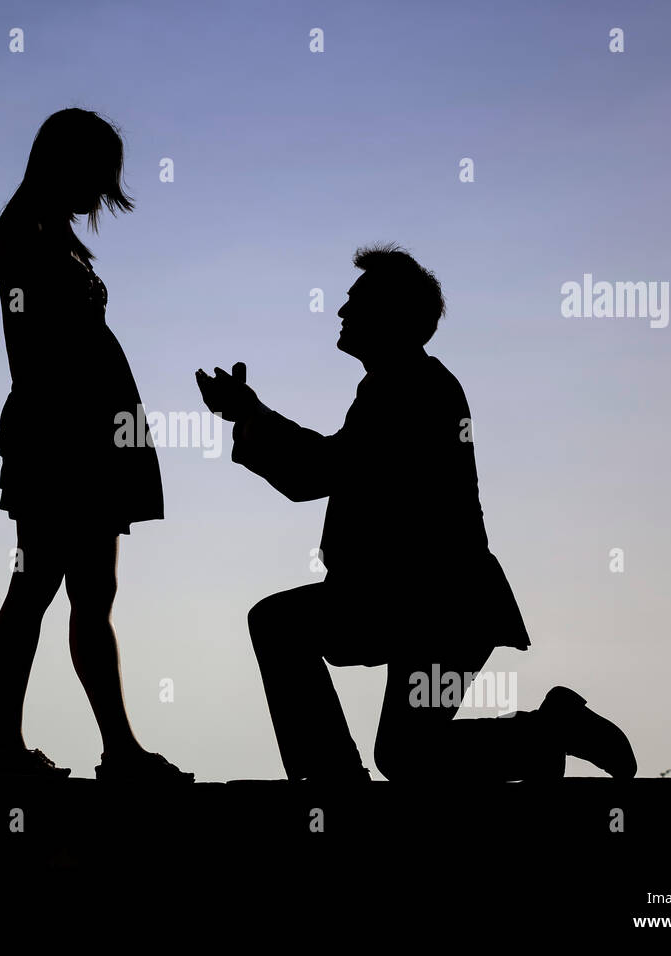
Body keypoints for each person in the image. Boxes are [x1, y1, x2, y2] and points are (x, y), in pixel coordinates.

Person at [196, 243, 636, 782]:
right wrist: (253, 417)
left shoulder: (411, 389)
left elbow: (319, 471)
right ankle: (543, 736)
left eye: (354, 300)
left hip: (433, 603)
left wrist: (251, 415)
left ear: (390, 315)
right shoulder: (398, 385)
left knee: (279, 625)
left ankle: (331, 784)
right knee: (408, 755)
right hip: (419, 603)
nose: (341, 311)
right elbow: (322, 471)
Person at [0, 108, 192, 782]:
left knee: (91, 593)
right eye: (98, 175)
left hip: (91, 435)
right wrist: (63, 426)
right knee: (36, 584)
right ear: (65, 163)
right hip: (62, 437)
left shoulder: (61, 240)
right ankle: (8, 748)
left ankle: (117, 747)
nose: (103, 193)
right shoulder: (25, 234)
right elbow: (27, 353)